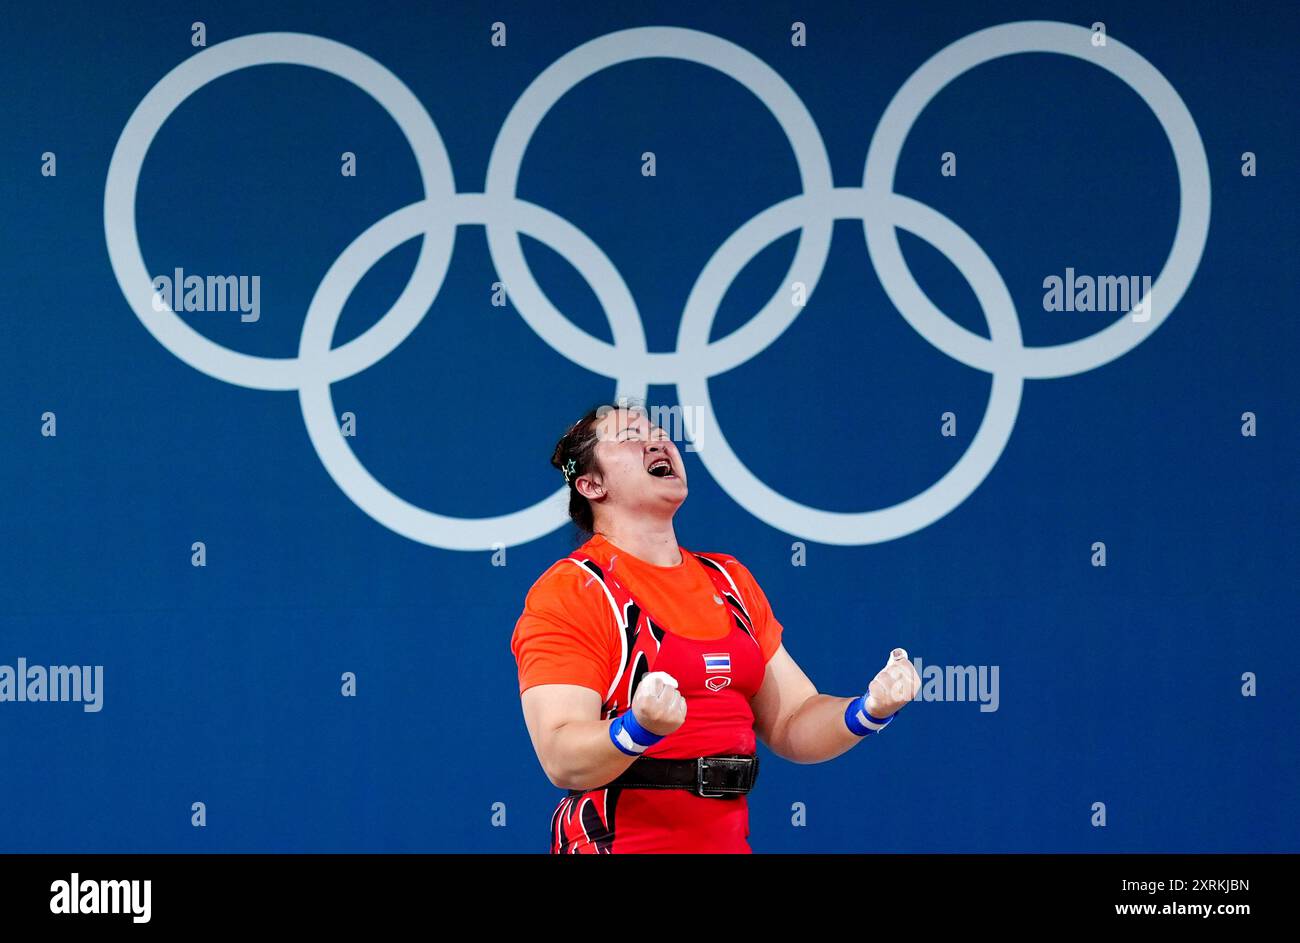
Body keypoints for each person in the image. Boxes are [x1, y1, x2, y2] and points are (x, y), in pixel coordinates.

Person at [510, 399, 921, 853]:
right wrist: (639, 728)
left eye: (658, 432)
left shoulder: (729, 580)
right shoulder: (573, 590)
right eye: (630, 437)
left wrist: (869, 710)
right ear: (590, 484)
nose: (657, 441)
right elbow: (561, 757)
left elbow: (791, 721)